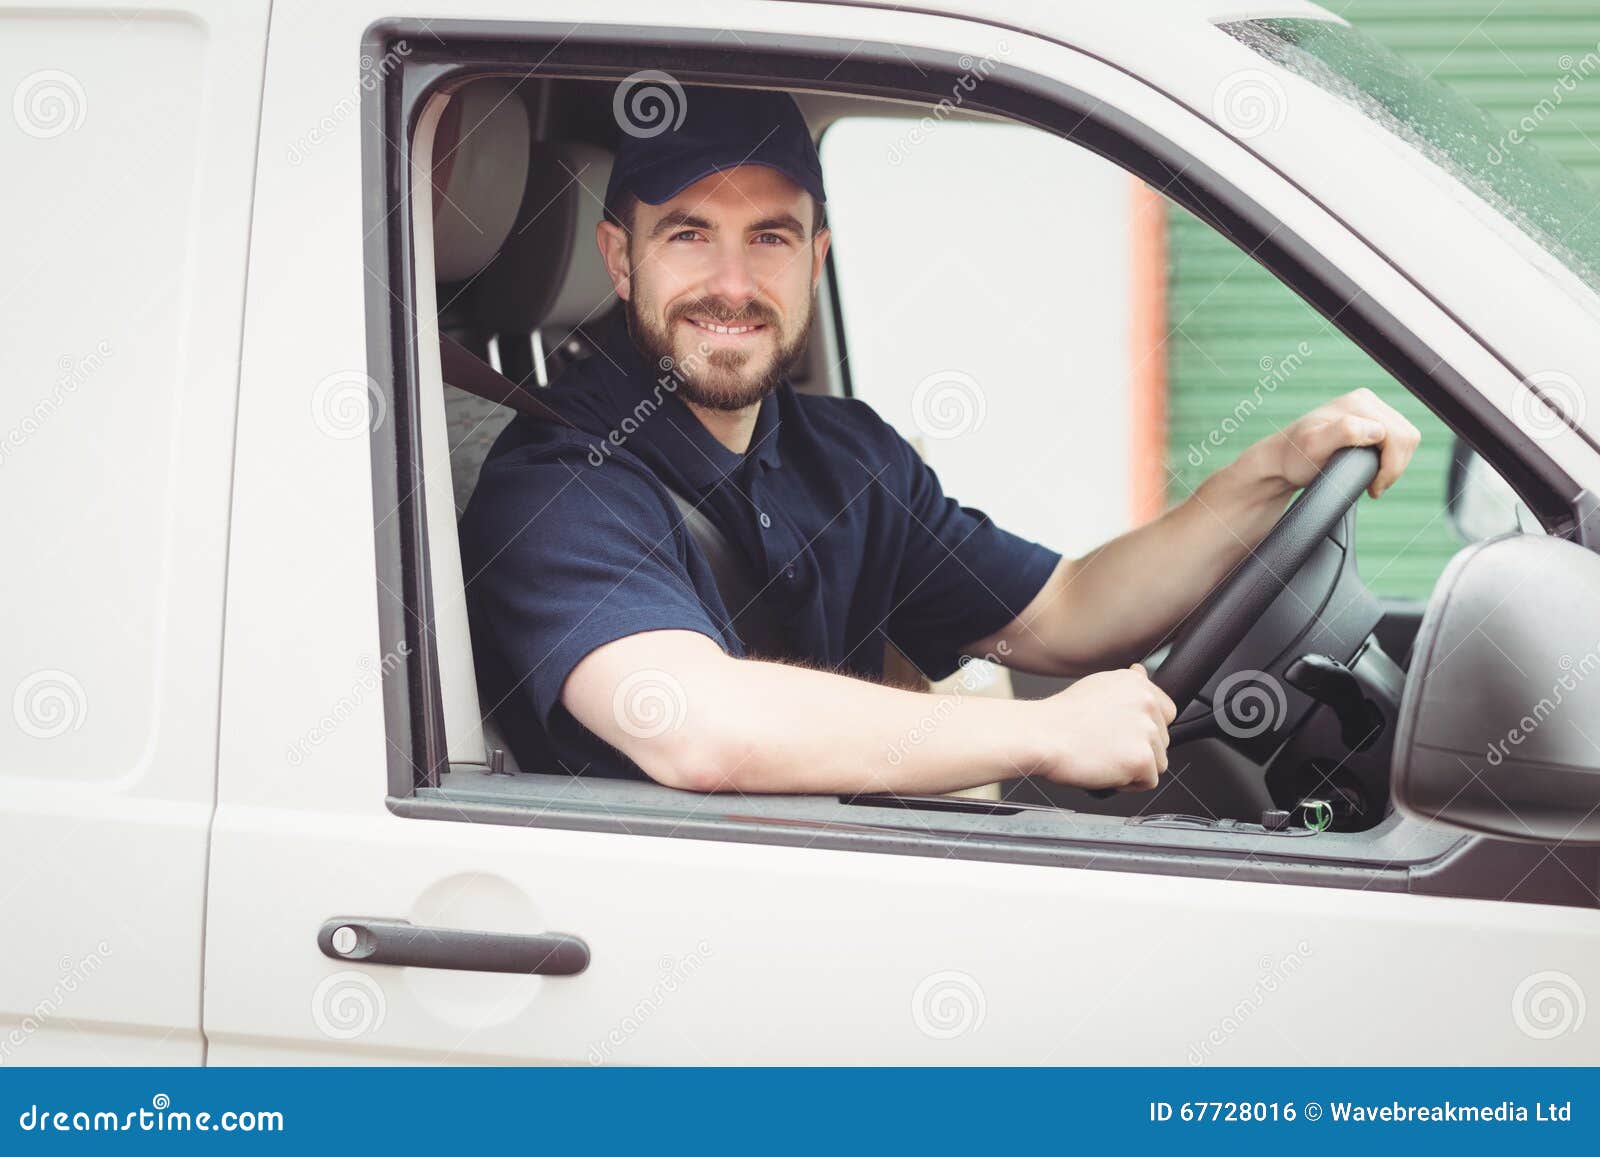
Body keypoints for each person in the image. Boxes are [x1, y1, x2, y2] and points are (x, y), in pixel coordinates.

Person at [458, 86, 1420, 796]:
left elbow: (1063, 612)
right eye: (688, 235)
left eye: (772, 238)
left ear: (815, 257)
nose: (733, 283)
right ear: (622, 259)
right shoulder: (557, 484)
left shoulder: (845, 452)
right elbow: (699, 727)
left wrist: (1268, 472)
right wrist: (1037, 734)